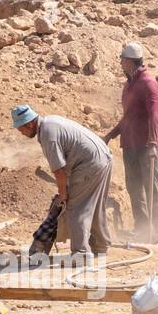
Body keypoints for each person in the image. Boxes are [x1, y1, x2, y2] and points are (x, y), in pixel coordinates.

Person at [11, 105, 113, 257]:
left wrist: (63, 194)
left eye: (21, 129)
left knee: (76, 208)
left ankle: (81, 253)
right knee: (95, 205)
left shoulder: (47, 134)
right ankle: (100, 245)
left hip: (89, 164)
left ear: (29, 124)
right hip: (103, 157)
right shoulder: (50, 122)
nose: (22, 133)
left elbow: (59, 170)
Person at [103, 41, 158, 241]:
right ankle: (142, 227)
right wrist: (110, 135)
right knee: (134, 188)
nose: (120, 63)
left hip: (147, 146)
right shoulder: (129, 85)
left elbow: (155, 115)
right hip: (130, 144)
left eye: (122, 59)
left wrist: (153, 144)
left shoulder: (148, 83)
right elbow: (129, 116)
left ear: (130, 61)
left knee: (152, 188)